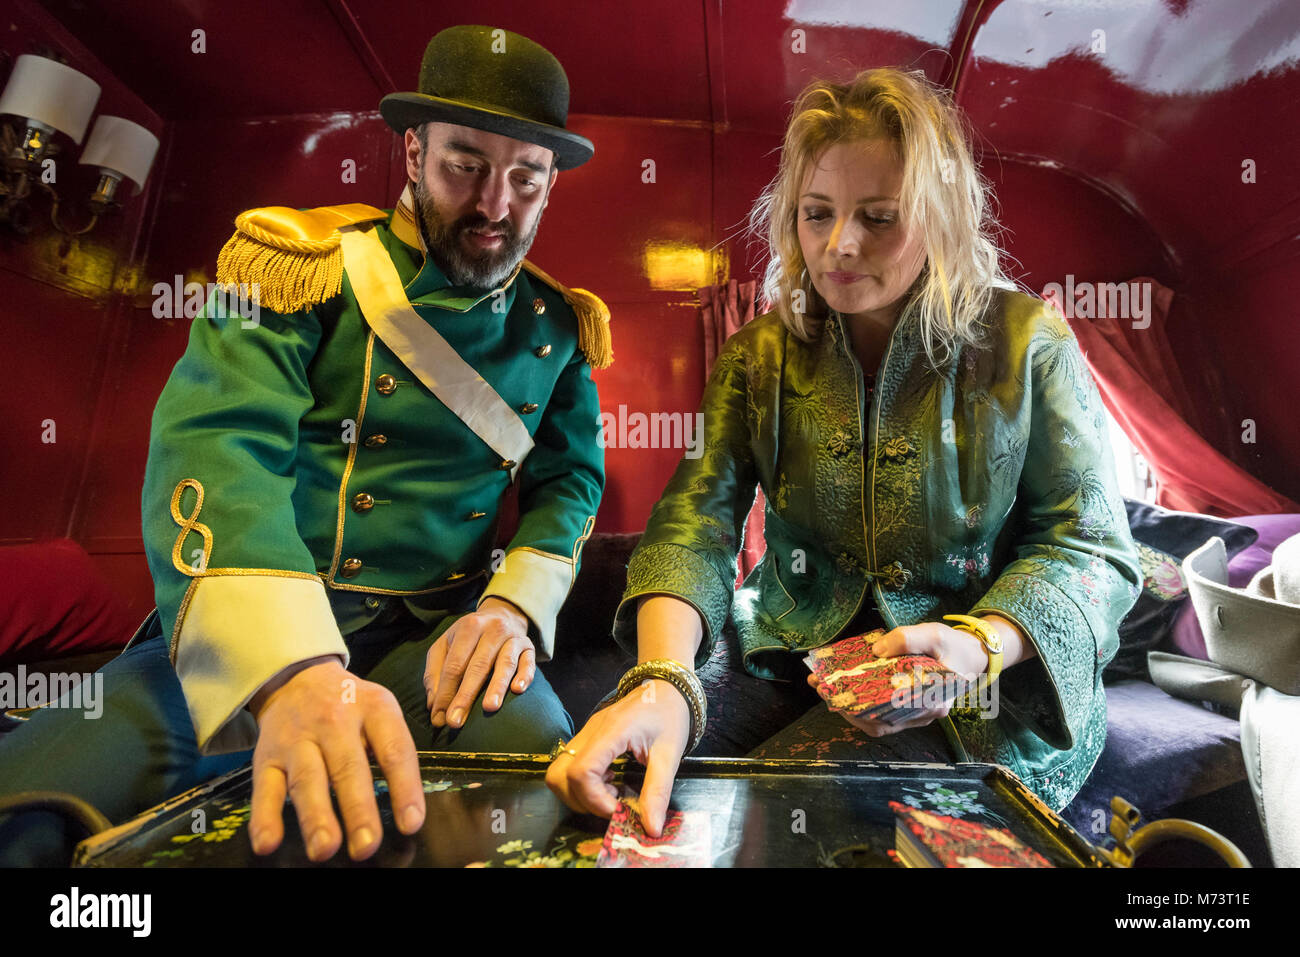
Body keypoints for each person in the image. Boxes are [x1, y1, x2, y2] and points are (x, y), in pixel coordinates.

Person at [0, 24, 608, 866]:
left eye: (527, 179)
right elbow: (220, 442)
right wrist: (288, 671)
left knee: (539, 792)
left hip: (430, 644)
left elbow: (571, 479)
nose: (495, 206)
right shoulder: (296, 260)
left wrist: (510, 608)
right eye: (465, 164)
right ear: (412, 150)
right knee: (30, 804)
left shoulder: (561, 327)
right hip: (262, 621)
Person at [547, 67, 1142, 836]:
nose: (840, 245)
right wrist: (661, 678)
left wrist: (979, 644)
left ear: (942, 217)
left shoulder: (1029, 344)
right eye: (816, 213)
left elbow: (1091, 546)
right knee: (618, 772)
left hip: (981, 683)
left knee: (796, 816)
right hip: (782, 649)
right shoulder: (758, 356)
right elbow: (692, 525)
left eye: (879, 217)